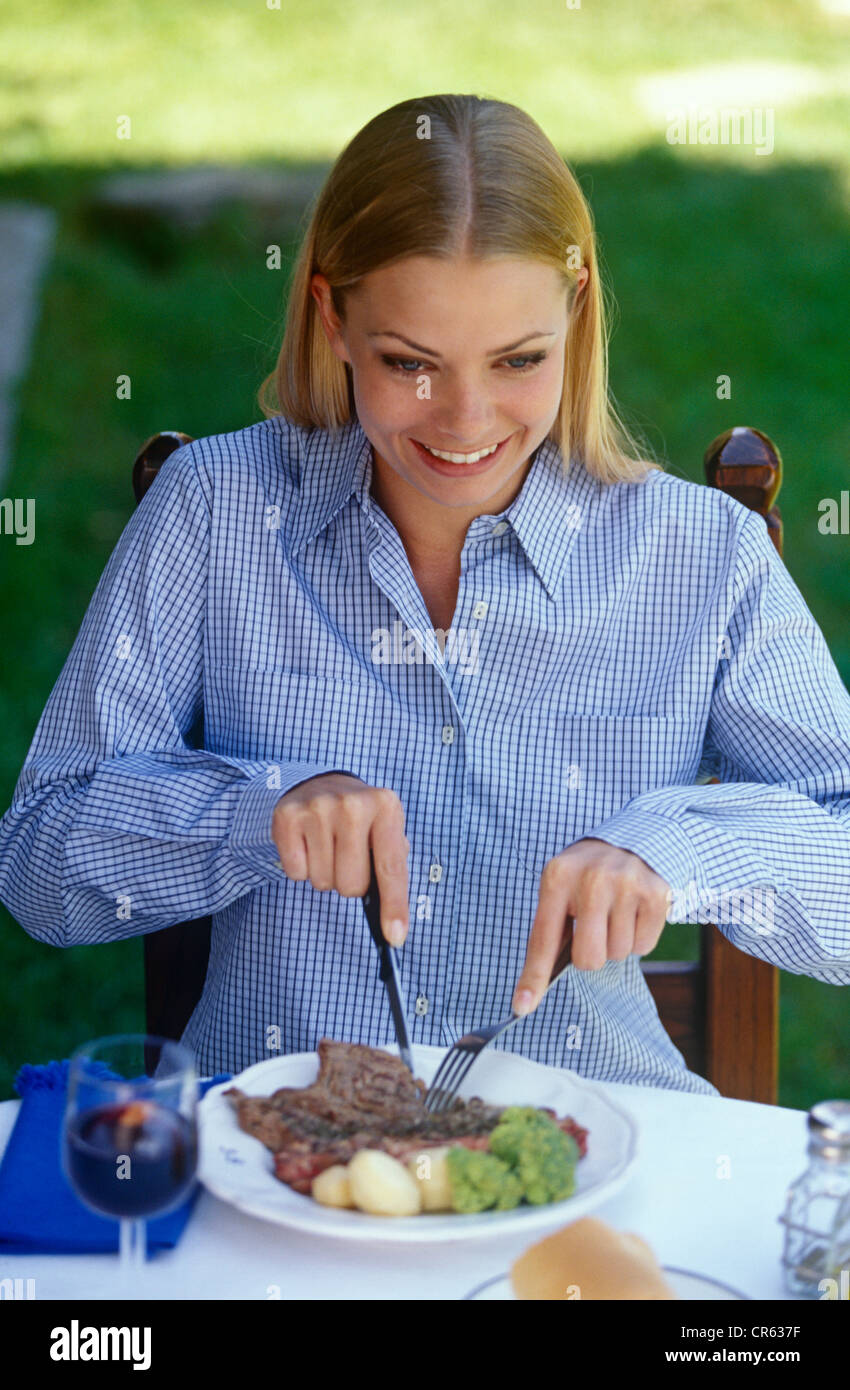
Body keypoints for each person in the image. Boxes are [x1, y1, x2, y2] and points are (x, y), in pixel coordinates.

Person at [1, 94, 849, 1091]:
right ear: (332, 316)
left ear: (576, 310)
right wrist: (256, 813)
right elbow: (41, 866)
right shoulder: (214, 512)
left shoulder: (700, 553)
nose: (465, 419)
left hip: (604, 1149)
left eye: (518, 360)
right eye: (410, 363)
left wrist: (673, 852)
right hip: (282, 1163)